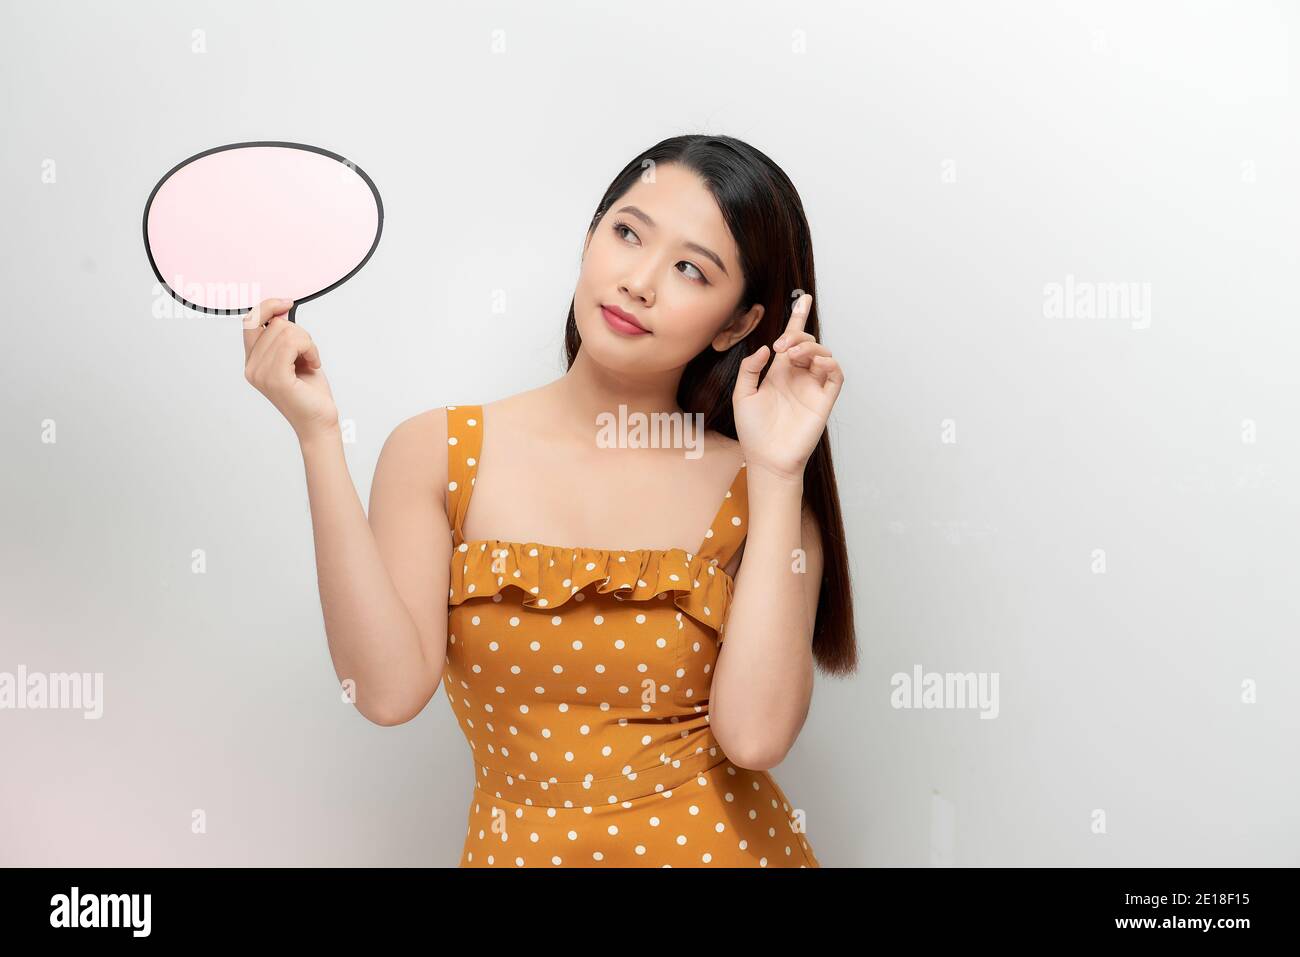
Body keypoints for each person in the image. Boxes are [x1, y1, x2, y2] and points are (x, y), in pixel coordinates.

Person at [242, 134, 857, 867]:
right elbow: (385, 691)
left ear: (737, 323)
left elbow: (755, 738)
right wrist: (316, 435)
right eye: (627, 232)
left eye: (692, 269)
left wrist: (781, 473)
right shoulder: (437, 453)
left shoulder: (760, 490)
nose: (640, 282)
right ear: (591, 235)